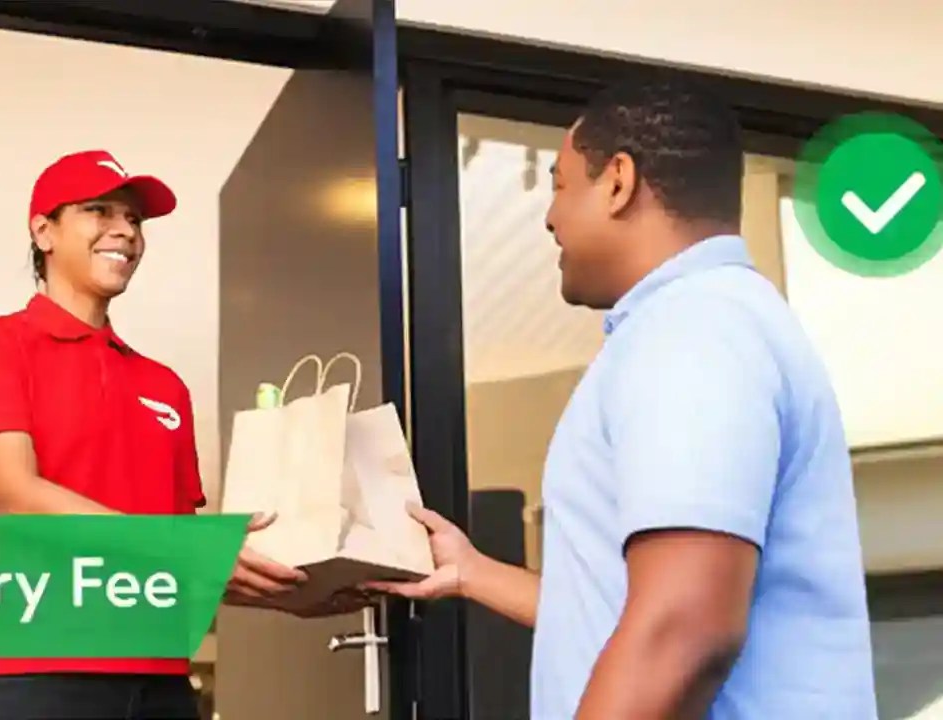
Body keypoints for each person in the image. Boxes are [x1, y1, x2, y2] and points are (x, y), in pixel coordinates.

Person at [368, 73, 878, 719]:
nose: (550, 217)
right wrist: (475, 571)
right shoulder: (710, 322)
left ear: (617, 180)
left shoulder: (695, 329)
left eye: (558, 185)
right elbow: (634, 603)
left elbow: (684, 628)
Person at [0, 149, 359, 720]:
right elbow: (13, 495)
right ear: (43, 231)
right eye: (99, 211)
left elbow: (173, 563)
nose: (125, 232)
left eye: (133, 219)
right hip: (32, 676)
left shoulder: (165, 387)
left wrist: (290, 594)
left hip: (158, 686)